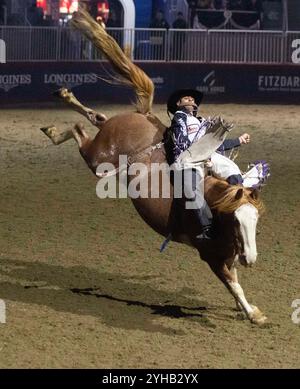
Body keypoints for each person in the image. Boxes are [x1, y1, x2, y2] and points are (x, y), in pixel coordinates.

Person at [165, 89, 252, 241]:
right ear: (178, 104)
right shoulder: (179, 119)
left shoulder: (201, 122)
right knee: (191, 190)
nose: (191, 100)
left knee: (233, 170)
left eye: (192, 99)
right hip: (189, 158)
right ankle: (208, 226)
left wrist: (238, 140)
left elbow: (215, 144)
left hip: (208, 154)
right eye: (186, 99)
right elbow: (181, 143)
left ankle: (239, 207)